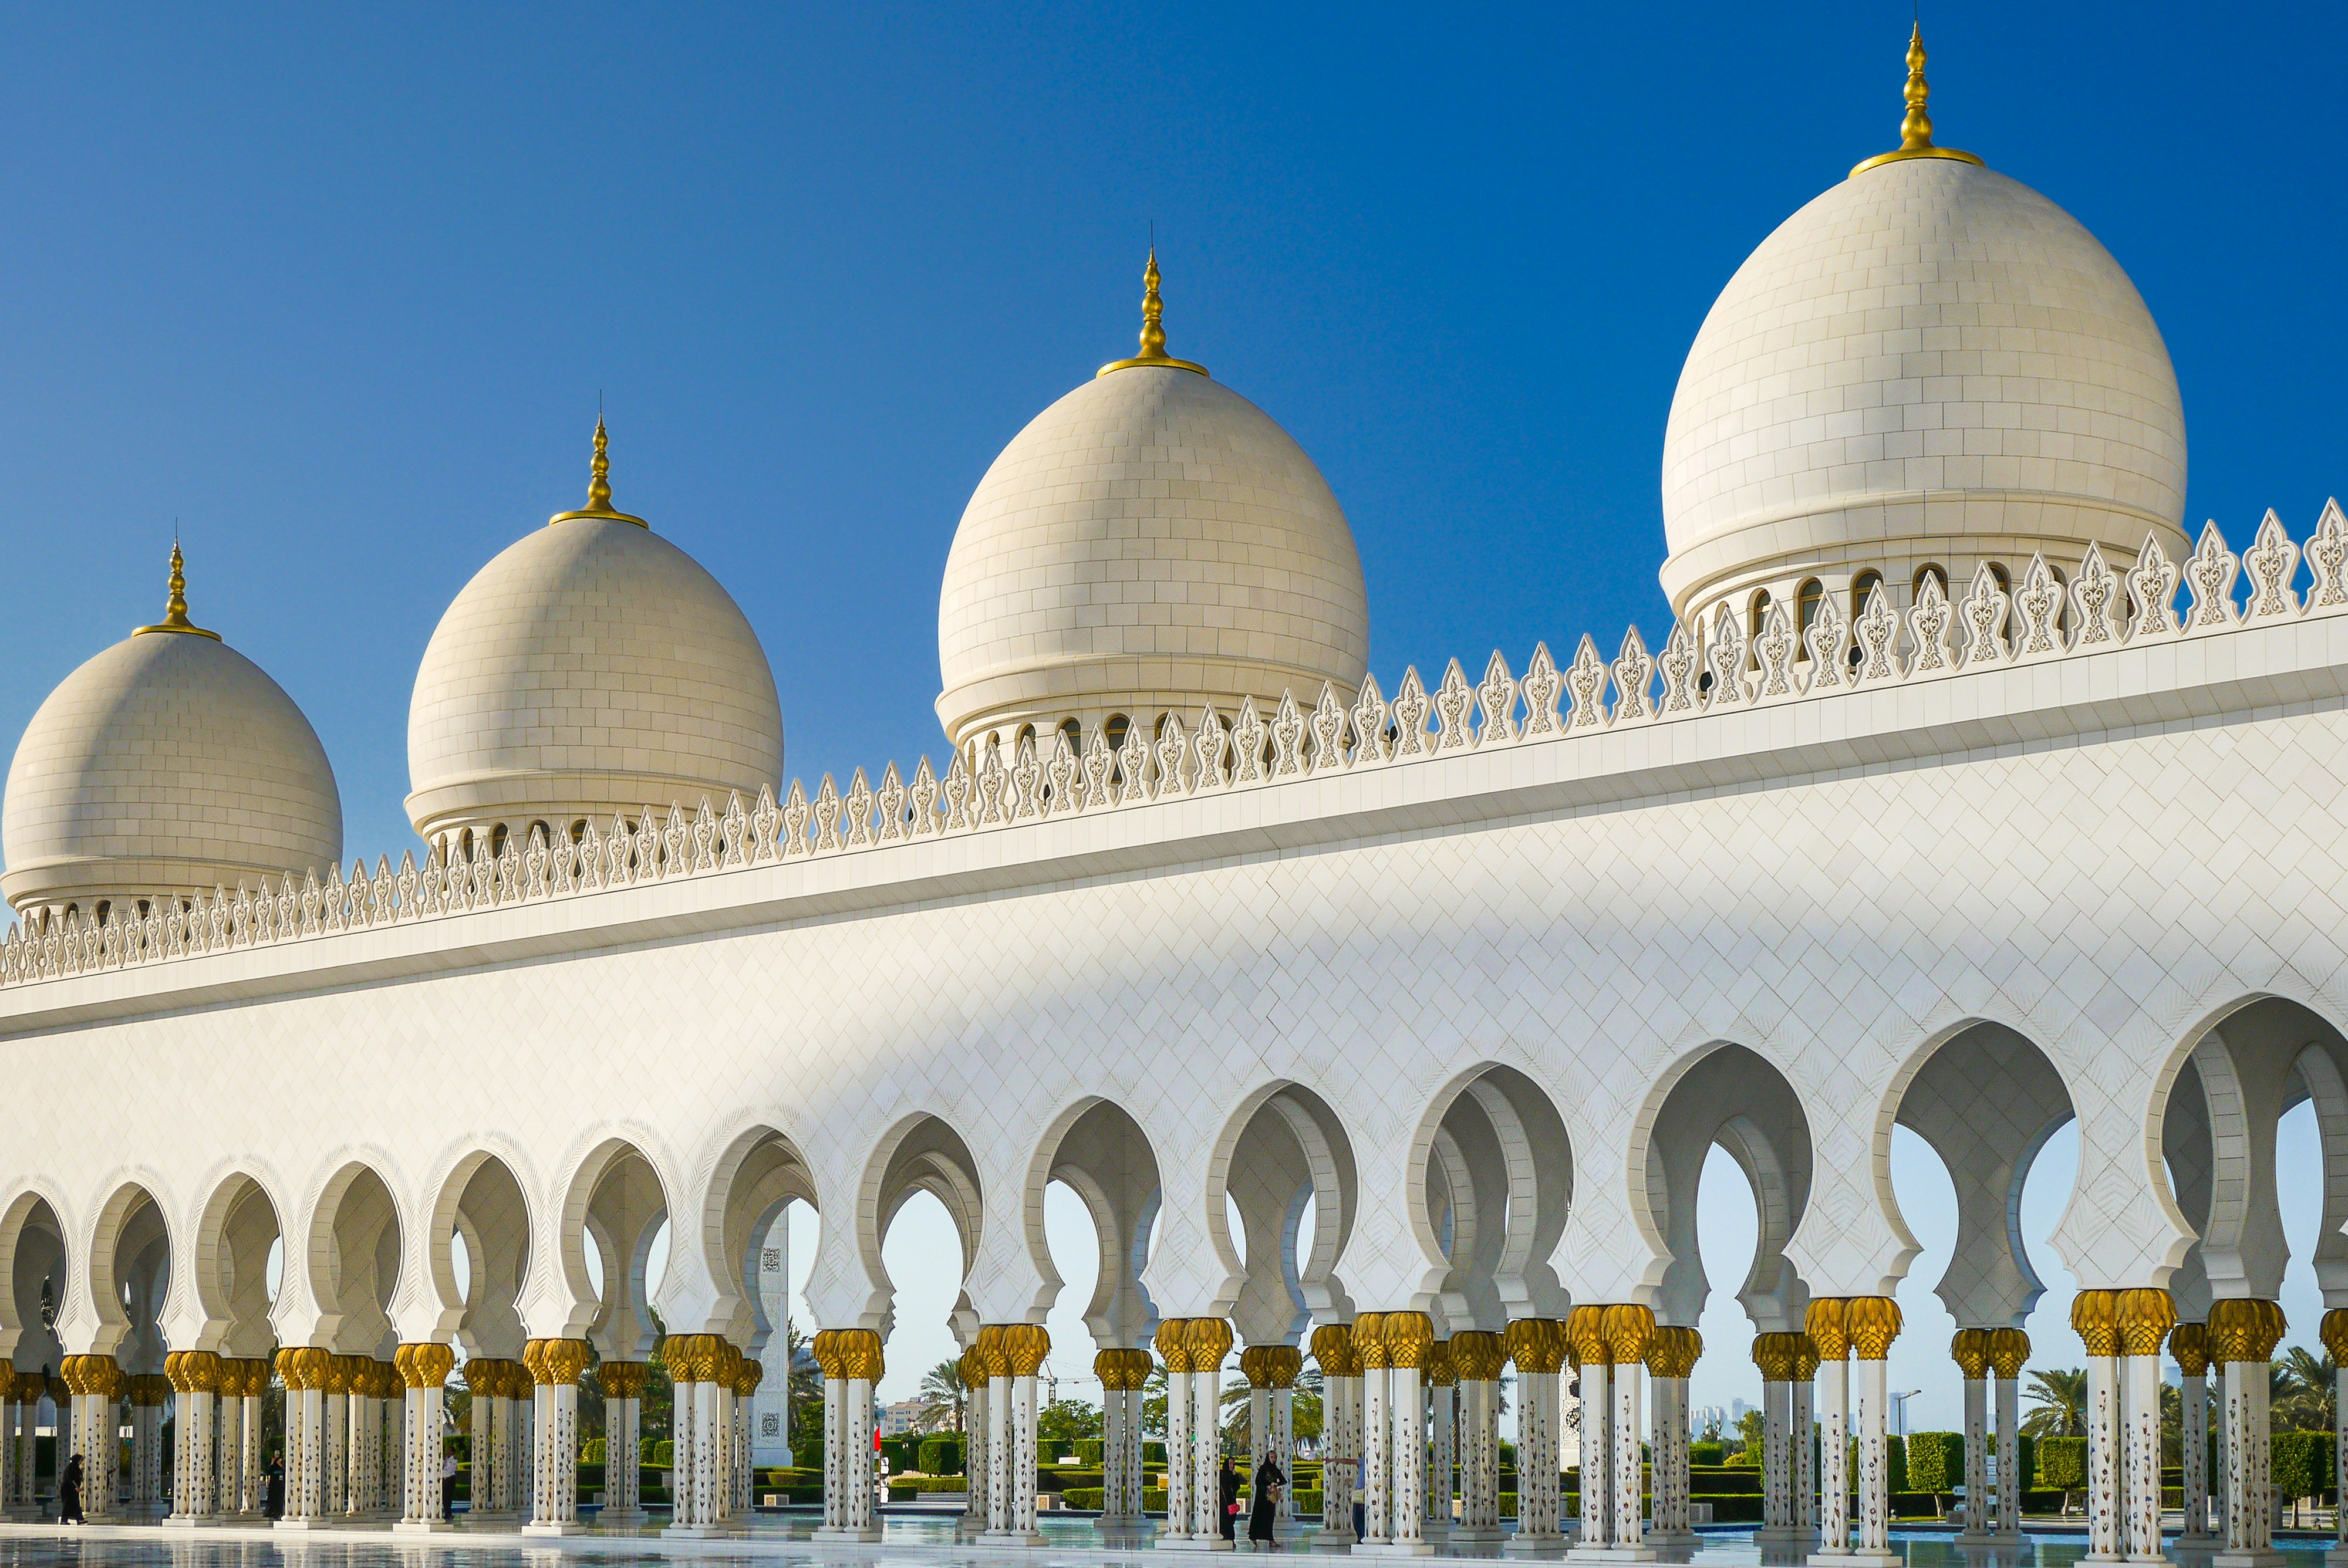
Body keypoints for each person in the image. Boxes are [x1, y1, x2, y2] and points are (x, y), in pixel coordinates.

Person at [1250, 1452, 1285, 1548]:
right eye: (1272, 1457)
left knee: (1269, 1518)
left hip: (1270, 1499)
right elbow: (1258, 1482)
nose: (1274, 1459)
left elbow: (1283, 1480)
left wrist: (1275, 1484)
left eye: (1275, 1457)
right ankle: (1253, 1536)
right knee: (1258, 1516)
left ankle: (1271, 1539)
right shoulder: (1263, 1469)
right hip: (1262, 1498)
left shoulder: (1275, 1469)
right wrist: (1267, 1486)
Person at [57, 1453, 83, 1524]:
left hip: (73, 1490)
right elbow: (70, 1479)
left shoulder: (76, 1468)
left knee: (76, 1504)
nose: (81, 1462)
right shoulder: (70, 1468)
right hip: (67, 1490)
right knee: (67, 1505)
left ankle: (80, 1519)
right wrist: (76, 1487)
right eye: (81, 1460)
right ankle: (64, 1520)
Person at [1219, 1457, 1240, 1542]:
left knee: (1231, 1521)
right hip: (1224, 1502)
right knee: (1225, 1521)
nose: (1232, 1466)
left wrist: (1235, 1476)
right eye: (1230, 1464)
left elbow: (1236, 1487)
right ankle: (1226, 1537)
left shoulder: (1233, 1474)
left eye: (1233, 1464)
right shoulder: (1222, 1474)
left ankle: (1231, 1539)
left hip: (1231, 1501)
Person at [442, 1449, 459, 1516]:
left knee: (449, 1496)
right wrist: (444, 1460)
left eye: (449, 1451)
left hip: (450, 1479)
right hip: (444, 1479)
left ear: (452, 1452)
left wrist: (447, 1462)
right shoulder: (444, 1459)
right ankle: (446, 1512)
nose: (448, 1452)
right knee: (444, 1496)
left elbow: (450, 1470)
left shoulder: (454, 1460)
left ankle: (448, 1512)